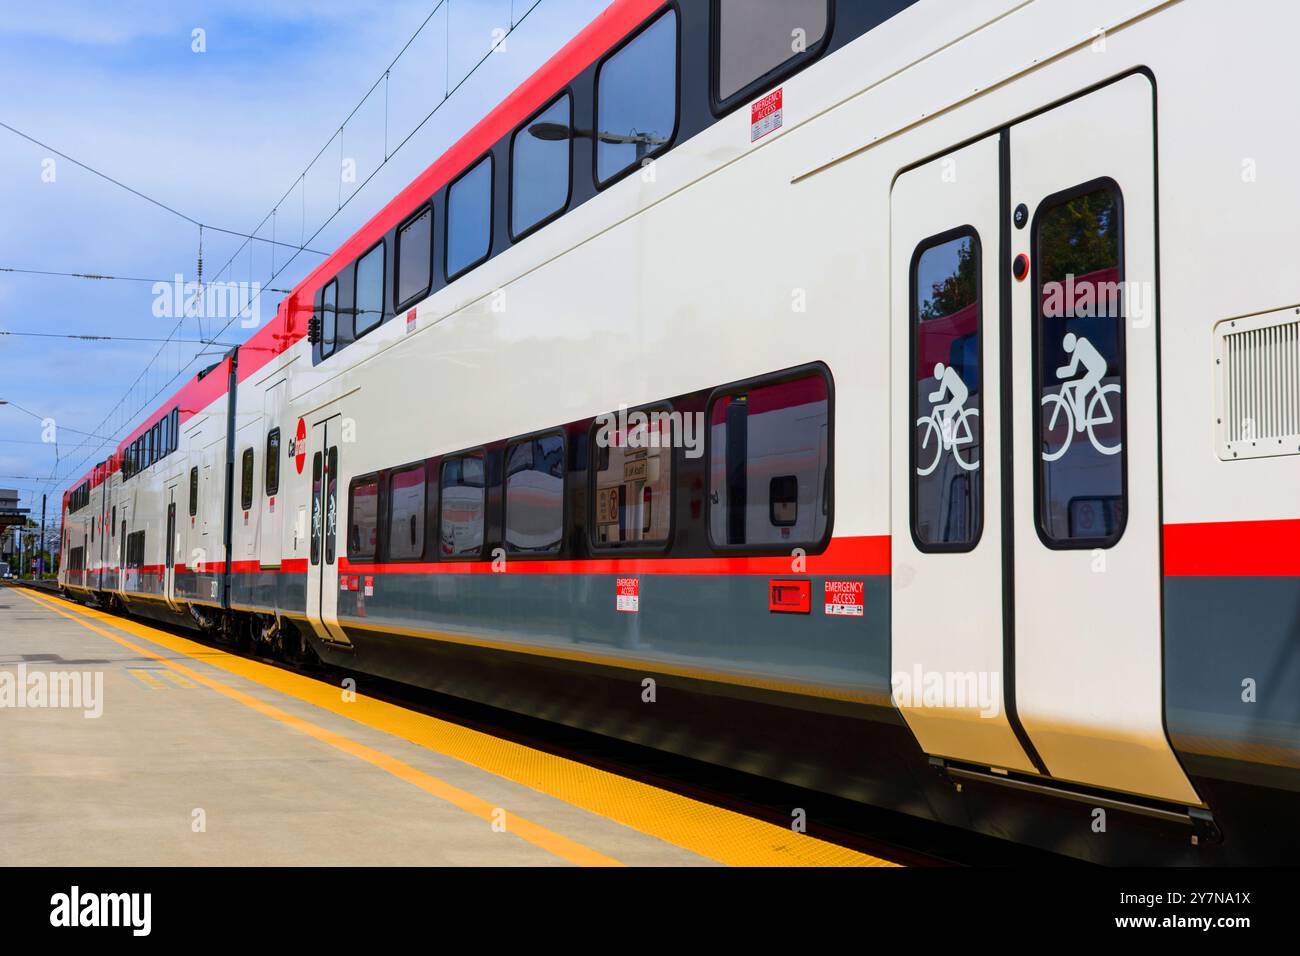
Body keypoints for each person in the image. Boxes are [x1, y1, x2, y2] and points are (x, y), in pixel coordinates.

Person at [1055, 332, 1108, 425]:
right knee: (1080, 387)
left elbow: (1072, 370)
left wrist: (1059, 373)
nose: (1068, 350)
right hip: (1094, 369)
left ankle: (1081, 423)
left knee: (1079, 391)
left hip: (1097, 369)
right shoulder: (1080, 344)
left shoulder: (1080, 344)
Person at [928, 362, 969, 443]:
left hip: (960, 395)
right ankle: (949, 438)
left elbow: (941, 395)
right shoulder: (948, 371)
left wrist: (931, 397)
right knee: (948, 411)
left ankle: (949, 439)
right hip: (959, 395)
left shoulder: (947, 373)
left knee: (947, 413)